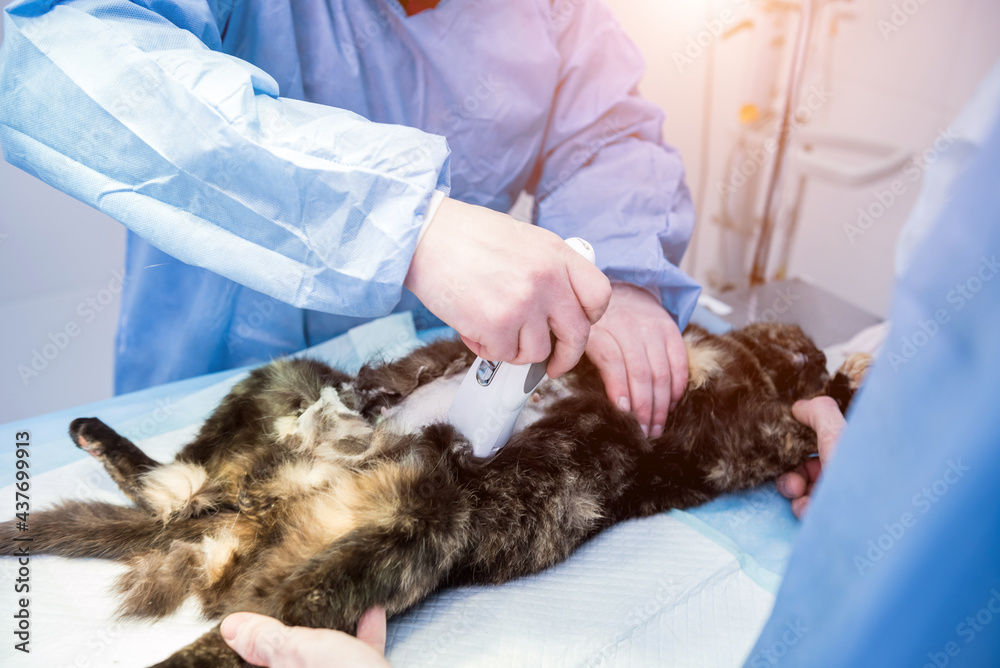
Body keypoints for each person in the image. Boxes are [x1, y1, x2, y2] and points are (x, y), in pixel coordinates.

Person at [0, 0, 702, 440]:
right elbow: (61, 51)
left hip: (430, 385)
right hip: (213, 391)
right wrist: (405, 225)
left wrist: (615, 277)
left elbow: (608, 136)